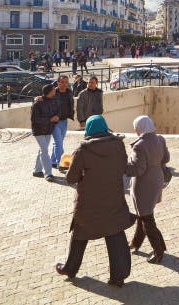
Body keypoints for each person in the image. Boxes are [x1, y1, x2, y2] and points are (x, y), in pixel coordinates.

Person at [56, 115, 135, 287]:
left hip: (89, 202)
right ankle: (118, 277)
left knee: (79, 234)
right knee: (115, 233)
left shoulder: (82, 151)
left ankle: (70, 268)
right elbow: (123, 168)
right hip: (113, 198)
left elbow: (71, 178)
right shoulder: (118, 145)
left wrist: (67, 168)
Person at [126, 116, 170, 264]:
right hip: (157, 179)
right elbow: (166, 158)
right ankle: (136, 242)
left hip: (144, 184)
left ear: (140, 128)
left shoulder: (140, 145)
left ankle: (159, 249)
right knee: (143, 214)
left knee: (146, 218)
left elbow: (138, 169)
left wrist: (126, 164)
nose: (135, 130)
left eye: (136, 128)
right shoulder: (160, 139)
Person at [31, 84, 60, 181]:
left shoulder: (53, 101)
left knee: (42, 150)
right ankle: (48, 174)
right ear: (50, 91)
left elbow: (56, 111)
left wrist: (56, 117)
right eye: (53, 89)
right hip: (39, 131)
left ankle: (37, 170)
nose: (55, 90)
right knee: (44, 151)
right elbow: (35, 120)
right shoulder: (37, 104)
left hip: (48, 129)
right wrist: (50, 119)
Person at [51, 75, 74, 171]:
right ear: (58, 83)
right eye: (62, 82)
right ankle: (61, 163)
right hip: (55, 121)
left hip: (64, 120)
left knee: (57, 143)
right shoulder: (53, 92)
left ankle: (52, 161)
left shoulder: (69, 92)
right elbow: (45, 100)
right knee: (59, 143)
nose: (64, 84)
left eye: (66, 82)